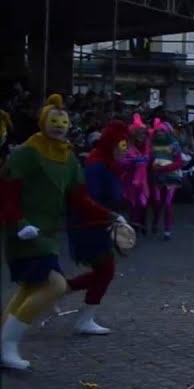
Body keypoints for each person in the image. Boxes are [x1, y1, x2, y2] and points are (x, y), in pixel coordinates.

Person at [1, 95, 120, 370]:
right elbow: (7, 191)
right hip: (24, 233)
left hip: (47, 233)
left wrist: (110, 216)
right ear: (43, 122)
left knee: (32, 287)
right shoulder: (27, 152)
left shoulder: (68, 158)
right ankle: (8, 345)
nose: (59, 126)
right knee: (55, 286)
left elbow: (80, 199)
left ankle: (4, 341)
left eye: (64, 122)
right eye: (54, 120)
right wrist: (19, 223)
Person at [65, 119, 130, 335]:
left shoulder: (106, 163)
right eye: (122, 145)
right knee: (105, 271)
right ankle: (68, 300)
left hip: (98, 224)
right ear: (112, 144)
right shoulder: (97, 166)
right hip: (89, 226)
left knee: (104, 271)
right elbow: (87, 200)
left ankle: (61, 292)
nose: (126, 149)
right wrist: (111, 215)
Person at [148, 119, 183, 241]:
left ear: (167, 132)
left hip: (171, 177)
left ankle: (167, 229)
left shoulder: (174, 145)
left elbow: (179, 162)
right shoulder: (151, 145)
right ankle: (156, 220)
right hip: (156, 178)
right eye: (157, 131)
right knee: (157, 202)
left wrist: (164, 168)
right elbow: (148, 161)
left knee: (168, 203)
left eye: (162, 131)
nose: (159, 133)